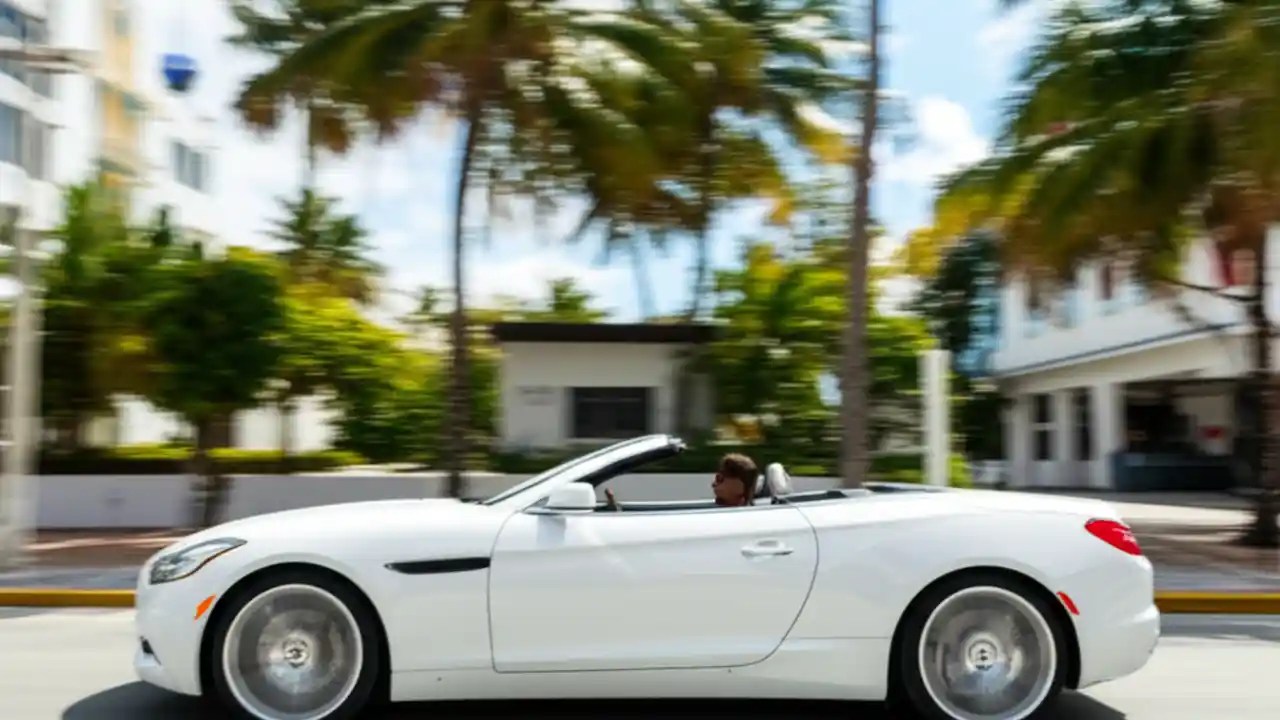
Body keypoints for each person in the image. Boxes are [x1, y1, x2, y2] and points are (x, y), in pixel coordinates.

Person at [600, 452, 759, 510]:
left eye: (721, 479)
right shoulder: (715, 511)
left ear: (739, 487)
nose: (713, 484)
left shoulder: (737, 521)